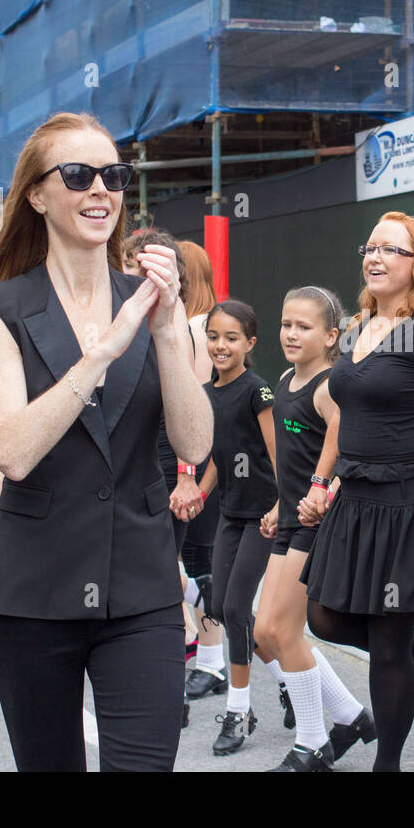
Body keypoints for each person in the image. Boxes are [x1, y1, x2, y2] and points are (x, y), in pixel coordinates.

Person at [0, 111, 212, 771]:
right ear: (38, 195)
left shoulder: (153, 303)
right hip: (34, 596)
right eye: (78, 175)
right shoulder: (0, 309)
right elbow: (12, 452)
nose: (101, 189)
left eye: (115, 175)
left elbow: (193, 441)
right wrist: (102, 349)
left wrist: (166, 331)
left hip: (142, 589)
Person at [301, 211, 414, 772]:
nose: (375, 257)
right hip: (355, 498)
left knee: (386, 644)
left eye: (392, 250)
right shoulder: (358, 329)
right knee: (325, 619)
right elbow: (344, 419)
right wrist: (321, 481)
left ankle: (389, 763)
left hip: (413, 500)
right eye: (371, 247)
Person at [256, 285, 377, 771]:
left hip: (314, 521)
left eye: (303, 327)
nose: (291, 333)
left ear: (331, 336)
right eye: (286, 324)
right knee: (264, 633)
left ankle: (312, 744)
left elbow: (348, 439)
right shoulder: (285, 378)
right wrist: (276, 504)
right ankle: (351, 717)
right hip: (287, 516)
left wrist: (321, 489)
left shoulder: (330, 385)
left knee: (280, 630)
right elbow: (287, 456)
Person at [194, 299, 280, 754]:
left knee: (235, 607)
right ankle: (286, 683)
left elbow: (277, 451)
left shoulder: (258, 391)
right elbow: (217, 456)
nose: (220, 345)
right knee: (225, 608)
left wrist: (284, 504)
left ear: (249, 343)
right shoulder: (209, 390)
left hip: (263, 516)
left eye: (231, 338)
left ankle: (238, 711)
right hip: (229, 512)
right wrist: (200, 492)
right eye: (213, 336)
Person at [172, 240, 228, 703]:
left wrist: (186, 470)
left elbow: (195, 401)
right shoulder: (205, 323)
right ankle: (205, 651)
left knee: (200, 564)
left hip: (199, 458)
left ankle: (212, 660)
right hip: (204, 456)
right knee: (196, 565)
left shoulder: (197, 326)